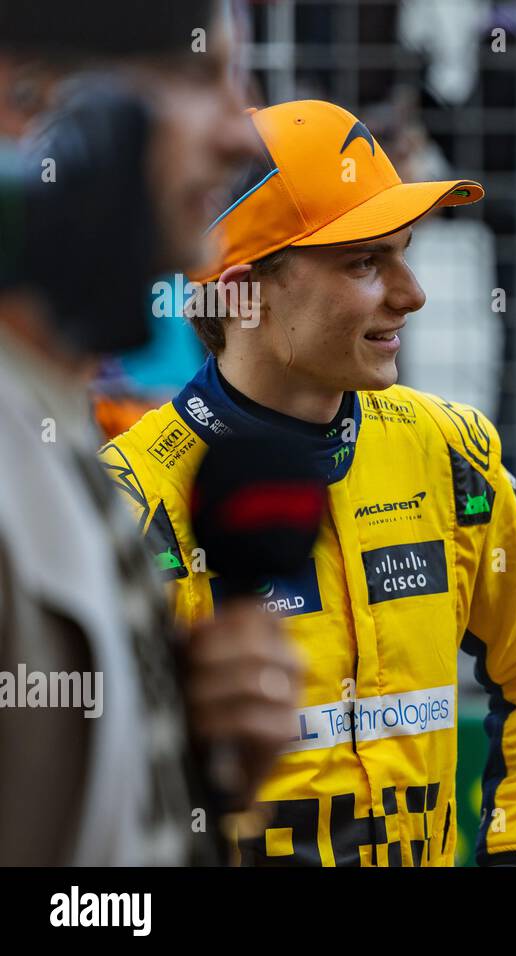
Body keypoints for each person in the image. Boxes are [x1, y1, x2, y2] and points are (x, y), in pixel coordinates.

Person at [102, 98, 516, 866]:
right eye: (365, 262)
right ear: (245, 292)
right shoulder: (131, 502)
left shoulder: (451, 449)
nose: (411, 293)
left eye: (404, 253)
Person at [0, 0, 301, 865]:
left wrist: (192, 765)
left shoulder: (55, 410)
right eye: (197, 76)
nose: (243, 133)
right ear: (29, 103)